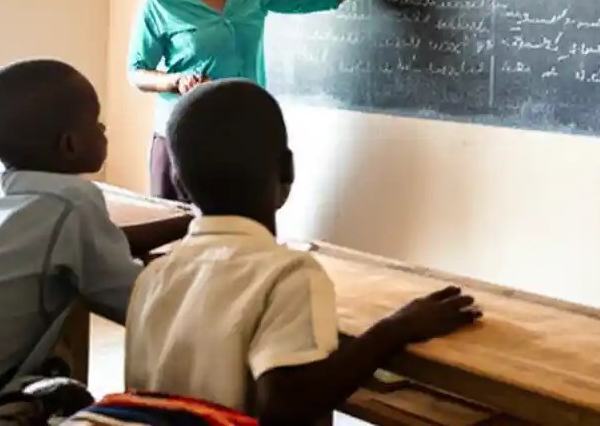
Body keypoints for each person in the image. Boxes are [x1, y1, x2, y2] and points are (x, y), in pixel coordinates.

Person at [124, 79, 481, 424]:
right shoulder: (288, 275)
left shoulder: (153, 276)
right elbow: (287, 403)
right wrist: (393, 330)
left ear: (181, 187)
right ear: (287, 170)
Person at [0, 59, 188, 426]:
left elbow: (88, 243)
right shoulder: (74, 199)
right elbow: (133, 300)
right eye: (97, 122)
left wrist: (185, 222)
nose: (104, 129)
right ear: (69, 144)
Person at [128, 0, 423, 200]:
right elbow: (137, 71)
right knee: (174, 243)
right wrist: (177, 81)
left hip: (242, 136)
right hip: (182, 142)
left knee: (242, 239)